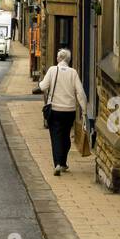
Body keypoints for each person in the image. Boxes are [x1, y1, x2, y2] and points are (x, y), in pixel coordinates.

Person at [39, 47, 86, 176]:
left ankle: (58, 164)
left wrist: (40, 84)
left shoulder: (52, 70)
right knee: (65, 136)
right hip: (69, 111)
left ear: (58, 59)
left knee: (56, 137)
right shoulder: (73, 73)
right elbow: (80, 93)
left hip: (54, 110)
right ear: (69, 60)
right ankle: (63, 163)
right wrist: (84, 110)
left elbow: (43, 86)